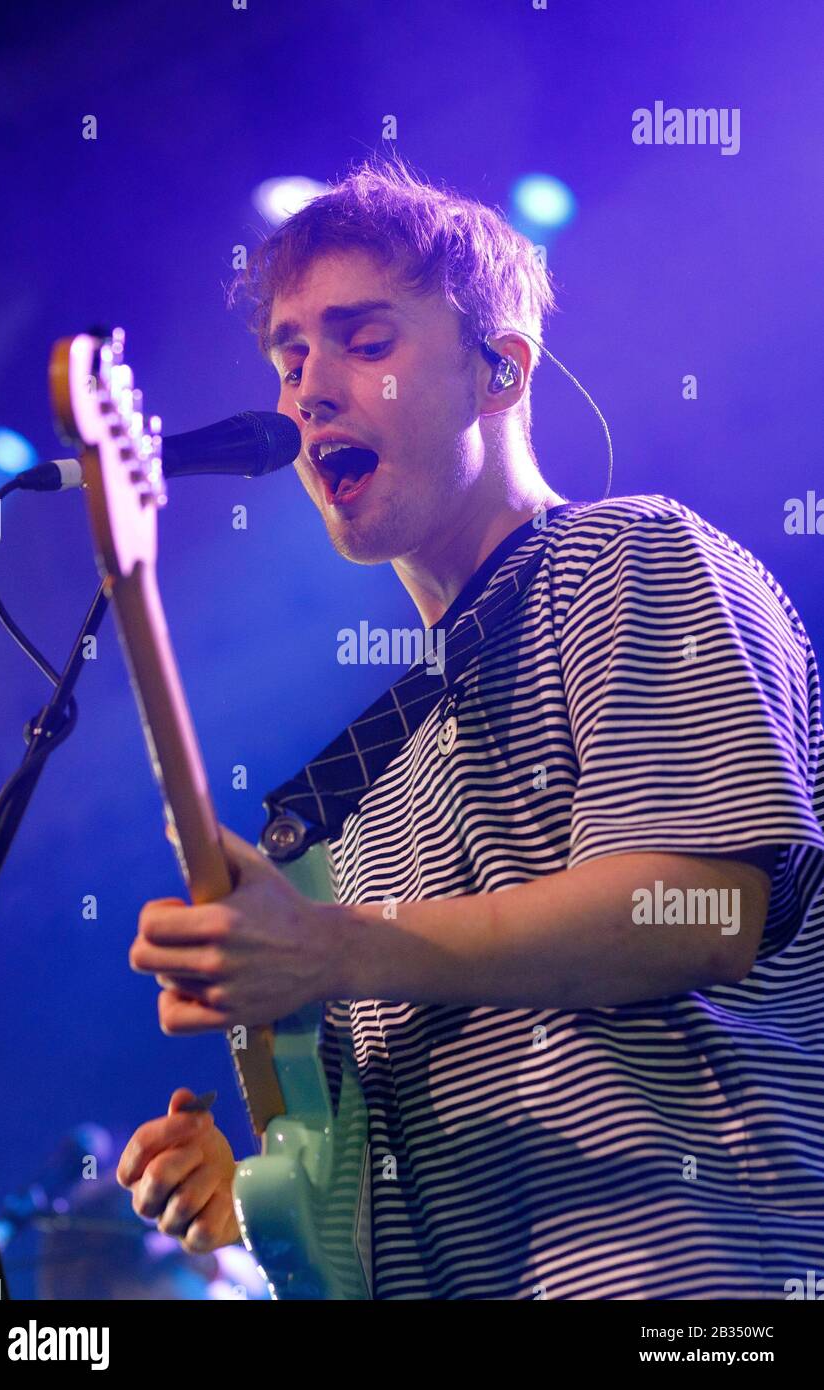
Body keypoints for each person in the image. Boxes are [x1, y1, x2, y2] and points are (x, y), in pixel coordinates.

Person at [117, 156, 824, 1300]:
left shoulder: (633, 560)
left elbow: (700, 912)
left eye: (364, 339)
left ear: (499, 371)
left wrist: (334, 944)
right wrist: (253, 1195)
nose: (306, 390)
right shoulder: (370, 781)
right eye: (290, 354)